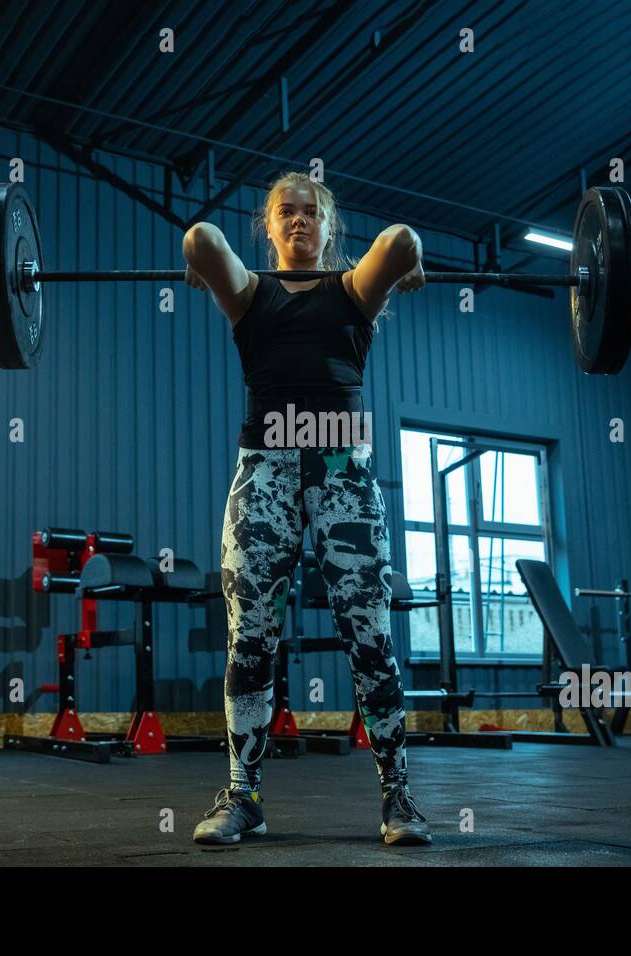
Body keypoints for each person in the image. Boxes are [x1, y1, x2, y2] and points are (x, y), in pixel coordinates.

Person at [182, 171, 431, 847]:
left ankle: (398, 798)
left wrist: (412, 263)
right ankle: (243, 796)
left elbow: (402, 238)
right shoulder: (249, 295)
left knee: (370, 638)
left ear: (328, 227)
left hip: (344, 472)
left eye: (309, 213)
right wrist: (193, 264)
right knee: (250, 640)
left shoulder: (353, 293)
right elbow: (203, 238)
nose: (297, 222)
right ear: (268, 227)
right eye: (285, 213)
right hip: (263, 472)